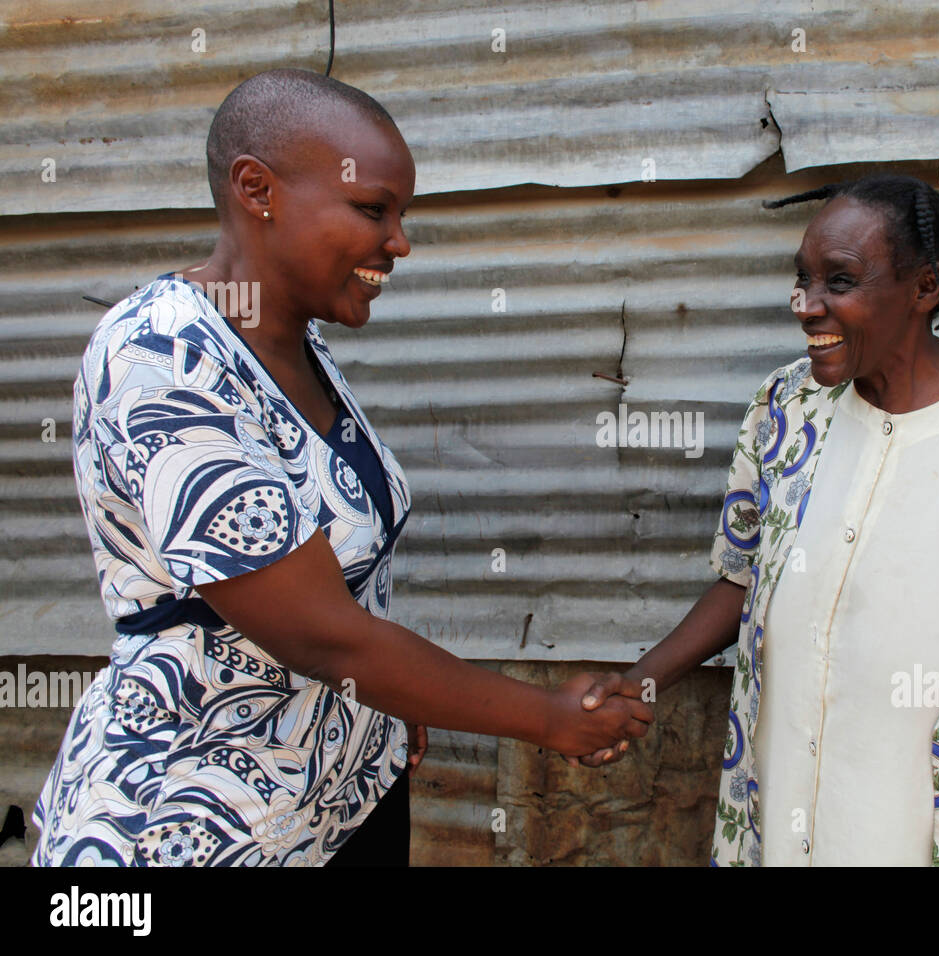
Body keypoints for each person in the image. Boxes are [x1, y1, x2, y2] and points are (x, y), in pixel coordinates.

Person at [30, 69, 651, 867]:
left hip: (341, 796)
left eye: (400, 214)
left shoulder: (293, 343)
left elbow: (341, 585)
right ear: (258, 189)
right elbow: (324, 638)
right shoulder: (162, 360)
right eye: (372, 209)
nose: (398, 242)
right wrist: (549, 718)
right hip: (204, 822)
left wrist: (383, 706)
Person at [577, 174, 939, 866]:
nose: (806, 305)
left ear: (925, 288)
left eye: (839, 282)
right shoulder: (785, 406)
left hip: (928, 821)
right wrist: (639, 681)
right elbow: (742, 581)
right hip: (783, 797)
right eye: (802, 279)